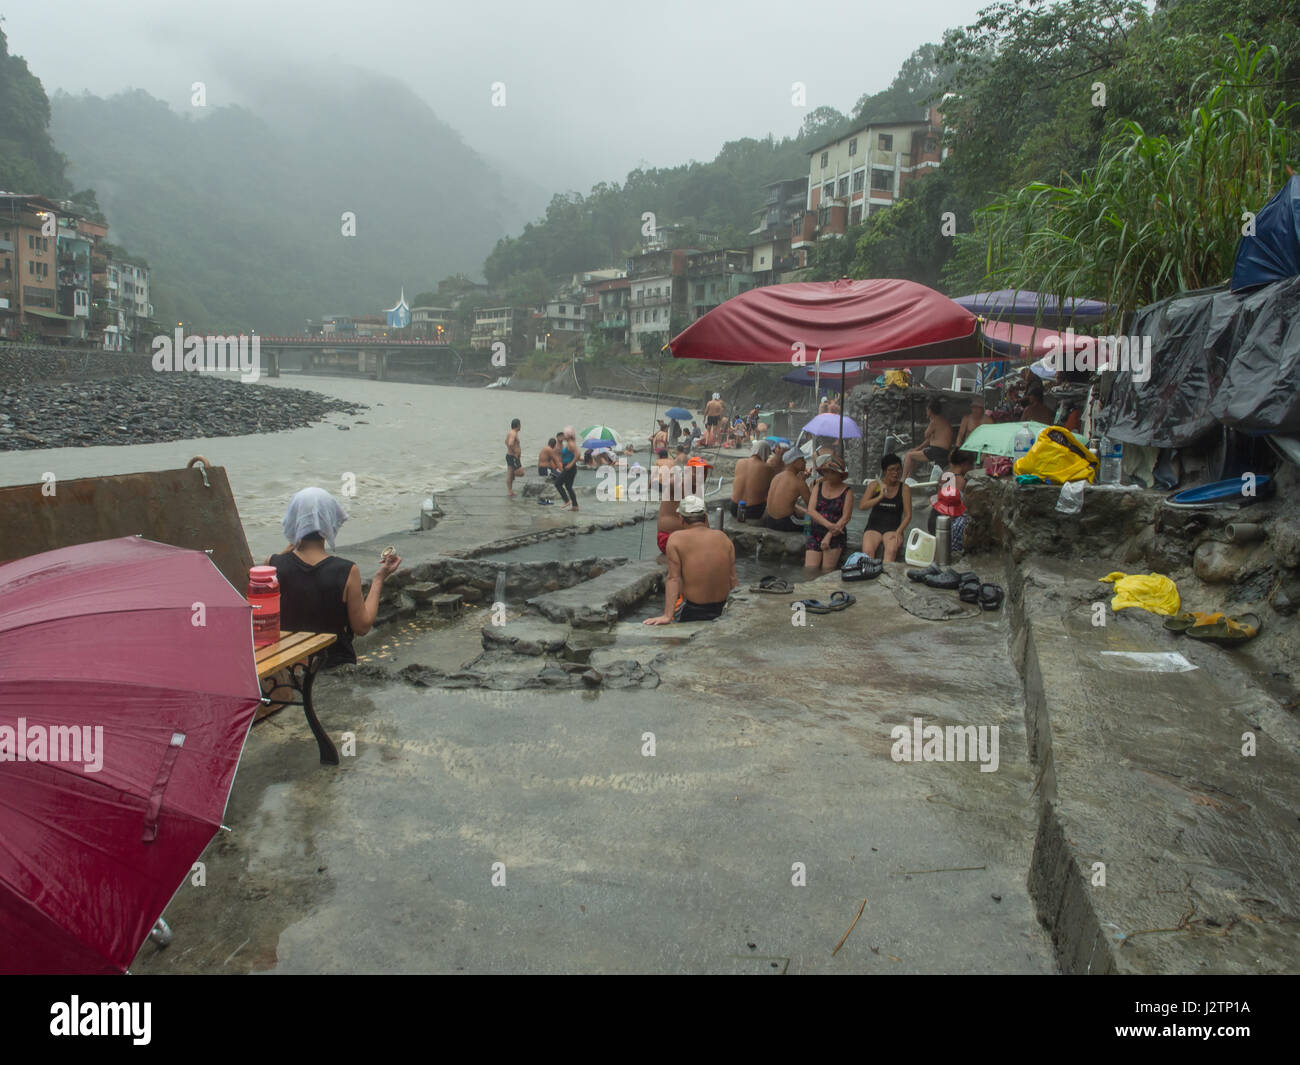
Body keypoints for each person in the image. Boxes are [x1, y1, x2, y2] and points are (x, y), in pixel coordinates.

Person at [265, 487, 400, 675]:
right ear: (330, 521)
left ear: (294, 520)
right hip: (333, 665)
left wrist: (282, 555)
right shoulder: (346, 570)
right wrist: (379, 579)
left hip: (288, 665)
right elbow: (362, 627)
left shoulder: (273, 564)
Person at [644, 495, 737, 624]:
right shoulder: (723, 537)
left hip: (694, 610)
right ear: (705, 517)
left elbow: (673, 578)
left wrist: (667, 615)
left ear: (681, 519)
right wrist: (736, 609)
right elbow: (732, 579)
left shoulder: (676, 539)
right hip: (722, 608)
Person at [860, 453, 912, 562]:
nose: (895, 473)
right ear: (884, 471)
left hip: (893, 528)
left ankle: (885, 577)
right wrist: (880, 497)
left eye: (898, 469)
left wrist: (899, 531)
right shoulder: (875, 485)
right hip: (874, 527)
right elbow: (862, 506)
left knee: (891, 550)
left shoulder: (904, 488)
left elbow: (908, 515)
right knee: (868, 552)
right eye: (891, 470)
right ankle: (870, 576)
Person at [804, 457, 854, 572]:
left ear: (839, 474)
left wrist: (829, 535)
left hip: (835, 535)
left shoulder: (847, 491)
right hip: (816, 532)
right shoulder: (818, 486)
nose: (828, 475)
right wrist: (829, 525)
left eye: (832, 472)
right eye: (826, 471)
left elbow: (846, 517)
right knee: (809, 570)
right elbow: (811, 511)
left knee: (827, 571)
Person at [902, 398, 954, 481]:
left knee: (909, 455)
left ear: (930, 410)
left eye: (927, 410)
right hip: (942, 451)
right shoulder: (944, 420)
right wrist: (918, 448)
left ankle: (903, 479)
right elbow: (929, 440)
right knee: (912, 453)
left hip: (937, 451)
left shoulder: (934, 421)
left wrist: (930, 421)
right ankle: (909, 478)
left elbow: (926, 435)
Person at [764, 448, 812, 532]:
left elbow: (783, 501)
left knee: (800, 512)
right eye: (802, 460)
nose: (805, 462)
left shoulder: (777, 477)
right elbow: (812, 507)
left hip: (770, 521)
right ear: (794, 462)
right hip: (785, 523)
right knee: (812, 523)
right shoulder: (799, 483)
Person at [729, 441, 776, 522]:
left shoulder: (739, 462)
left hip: (734, 507)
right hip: (753, 511)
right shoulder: (768, 468)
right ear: (766, 453)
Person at [558, 431, 579, 511]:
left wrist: (571, 464)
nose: (563, 436)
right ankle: (575, 506)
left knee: (558, 483)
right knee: (568, 486)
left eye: (565, 435)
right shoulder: (568, 443)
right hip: (569, 467)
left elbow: (578, 454)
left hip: (569, 467)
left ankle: (567, 500)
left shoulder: (571, 443)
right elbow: (574, 455)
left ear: (568, 436)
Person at [505, 418, 522, 498]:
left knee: (511, 473)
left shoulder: (512, 433)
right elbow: (510, 443)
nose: (521, 426)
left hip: (511, 456)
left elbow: (506, 442)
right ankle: (509, 490)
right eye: (520, 424)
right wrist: (515, 453)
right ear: (518, 425)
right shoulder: (513, 433)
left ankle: (510, 491)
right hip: (512, 456)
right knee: (520, 473)